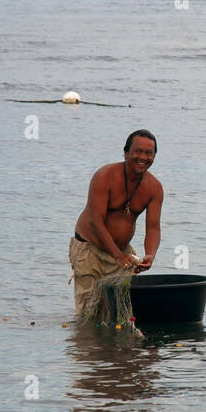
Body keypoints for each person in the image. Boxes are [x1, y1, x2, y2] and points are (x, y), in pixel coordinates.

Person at [69, 130, 163, 317]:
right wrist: (118, 256)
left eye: (149, 153)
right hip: (89, 250)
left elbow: (153, 227)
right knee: (88, 312)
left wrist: (150, 255)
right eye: (138, 151)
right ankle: (88, 344)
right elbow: (96, 221)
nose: (143, 157)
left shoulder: (155, 188)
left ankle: (113, 345)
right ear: (126, 152)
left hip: (121, 255)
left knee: (117, 312)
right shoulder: (105, 176)